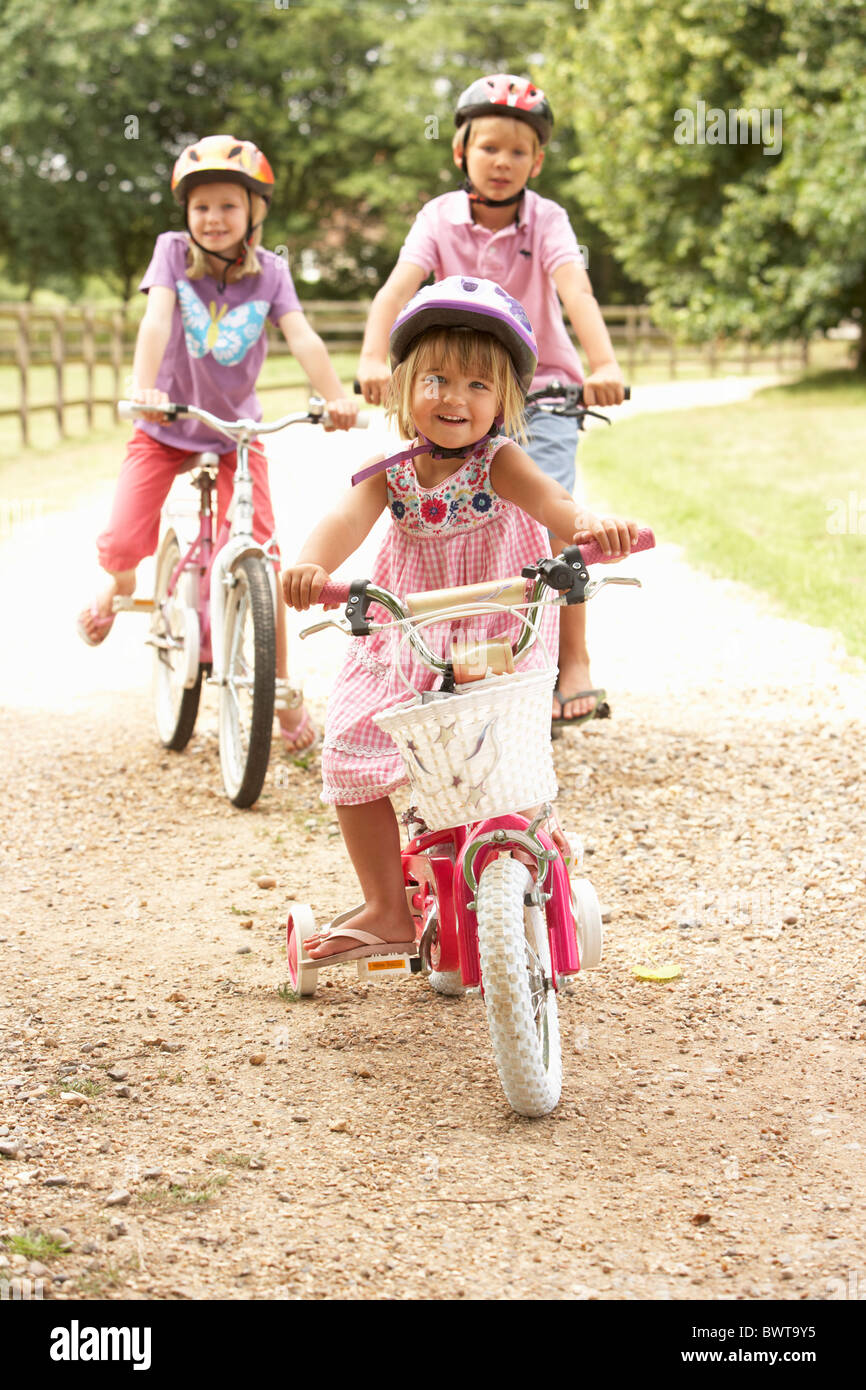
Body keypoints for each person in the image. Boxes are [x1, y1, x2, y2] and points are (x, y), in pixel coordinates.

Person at [282, 277, 638, 964]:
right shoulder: (391, 470)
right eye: (438, 379)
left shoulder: (499, 462)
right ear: (403, 387)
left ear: (503, 401)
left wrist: (590, 524)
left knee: (487, 761)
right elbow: (343, 519)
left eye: (478, 387)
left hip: (490, 635)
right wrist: (309, 565)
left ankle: (511, 863)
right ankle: (387, 906)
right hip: (408, 633)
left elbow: (553, 501)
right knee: (350, 750)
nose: (455, 398)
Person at [357, 73, 626, 727]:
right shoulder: (438, 218)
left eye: (517, 151)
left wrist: (605, 362)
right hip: (461, 392)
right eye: (488, 148)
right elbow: (398, 289)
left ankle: (574, 659)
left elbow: (575, 291)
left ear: (536, 161)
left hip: (542, 395)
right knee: (446, 521)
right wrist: (371, 355)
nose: (502, 162)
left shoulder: (549, 220)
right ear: (461, 153)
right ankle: (451, 657)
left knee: (556, 524)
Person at [77, 134, 357, 753]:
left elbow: (302, 335)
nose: (213, 218)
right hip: (166, 424)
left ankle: (281, 691)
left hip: (236, 434)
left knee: (263, 554)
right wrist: (144, 386)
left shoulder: (273, 272)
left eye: (229, 206)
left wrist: (336, 398)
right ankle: (120, 586)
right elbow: (156, 320)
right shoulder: (172, 254)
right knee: (125, 537)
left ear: (254, 213)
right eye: (201, 206)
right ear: (186, 213)